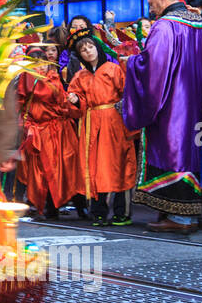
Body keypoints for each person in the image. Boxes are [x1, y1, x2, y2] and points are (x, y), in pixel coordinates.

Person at [122, 0, 202, 234]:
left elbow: (153, 69)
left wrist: (130, 62)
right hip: (197, 103)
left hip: (170, 107)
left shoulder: (165, 27)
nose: (151, 9)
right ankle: (189, 215)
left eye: (151, 3)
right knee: (190, 155)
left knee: (173, 156)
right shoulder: (201, 25)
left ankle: (179, 218)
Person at [67, 31, 135, 225]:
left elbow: (127, 94)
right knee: (95, 168)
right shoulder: (80, 76)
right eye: (83, 50)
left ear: (97, 48)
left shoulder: (113, 69)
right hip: (91, 126)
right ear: (80, 56)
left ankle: (122, 212)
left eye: (90, 47)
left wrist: (122, 111)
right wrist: (74, 100)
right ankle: (98, 212)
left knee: (119, 166)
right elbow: (76, 101)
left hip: (114, 123)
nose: (87, 51)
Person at [17, 29, 81, 220]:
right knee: (40, 172)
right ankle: (41, 206)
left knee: (64, 169)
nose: (41, 67)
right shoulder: (27, 80)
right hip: (37, 132)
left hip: (58, 131)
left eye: (43, 63)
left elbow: (62, 102)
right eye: (35, 63)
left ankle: (57, 206)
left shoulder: (54, 79)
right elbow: (22, 103)